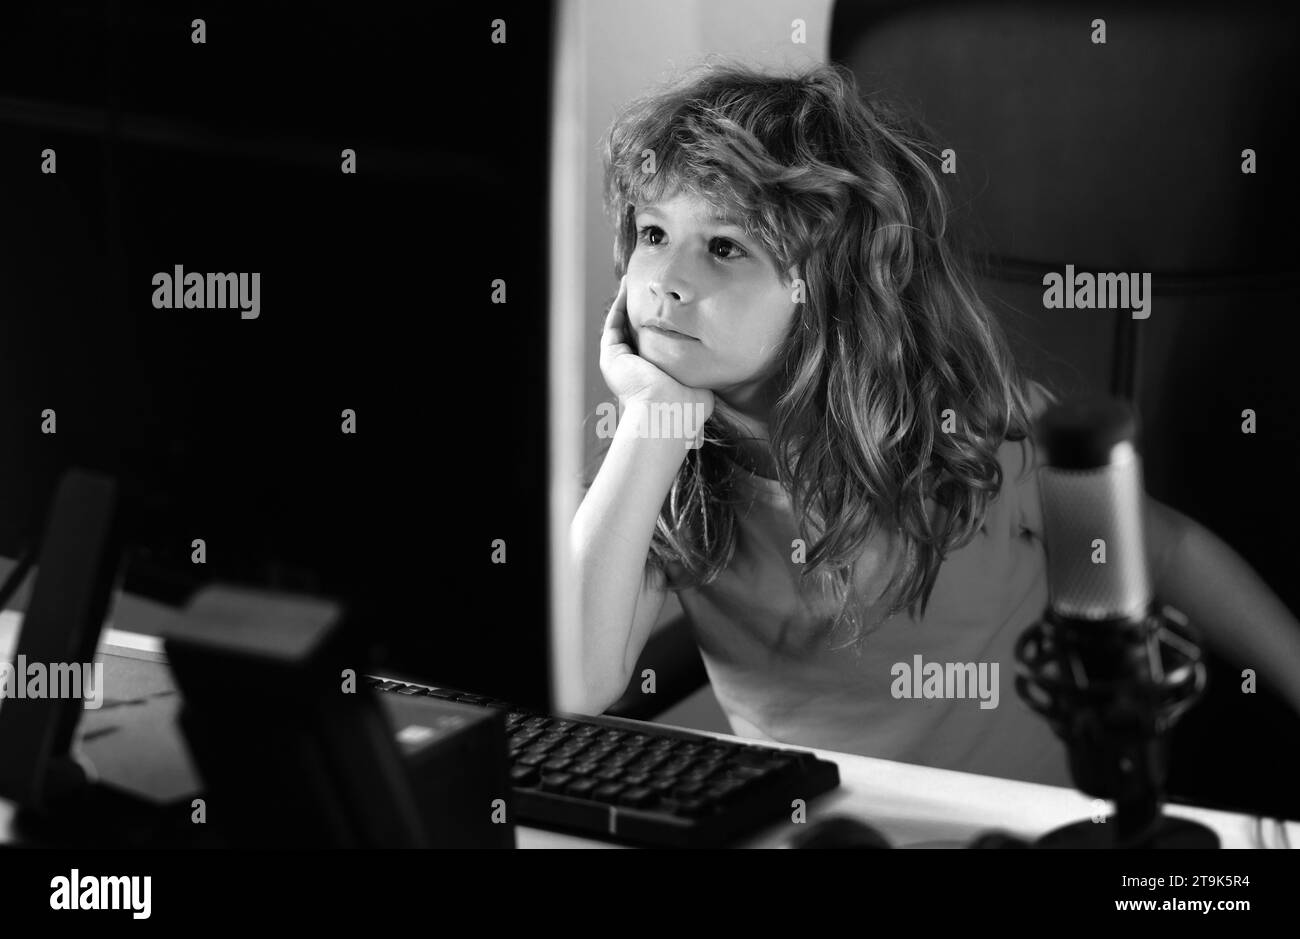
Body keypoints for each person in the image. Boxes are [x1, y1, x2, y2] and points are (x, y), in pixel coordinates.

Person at [572, 62, 1300, 787]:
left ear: (832, 287)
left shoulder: (973, 433)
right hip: (830, 830)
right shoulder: (665, 469)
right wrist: (655, 425)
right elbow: (579, 680)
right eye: (653, 232)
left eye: (724, 246)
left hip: (1032, 826)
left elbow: (1164, 553)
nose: (663, 279)